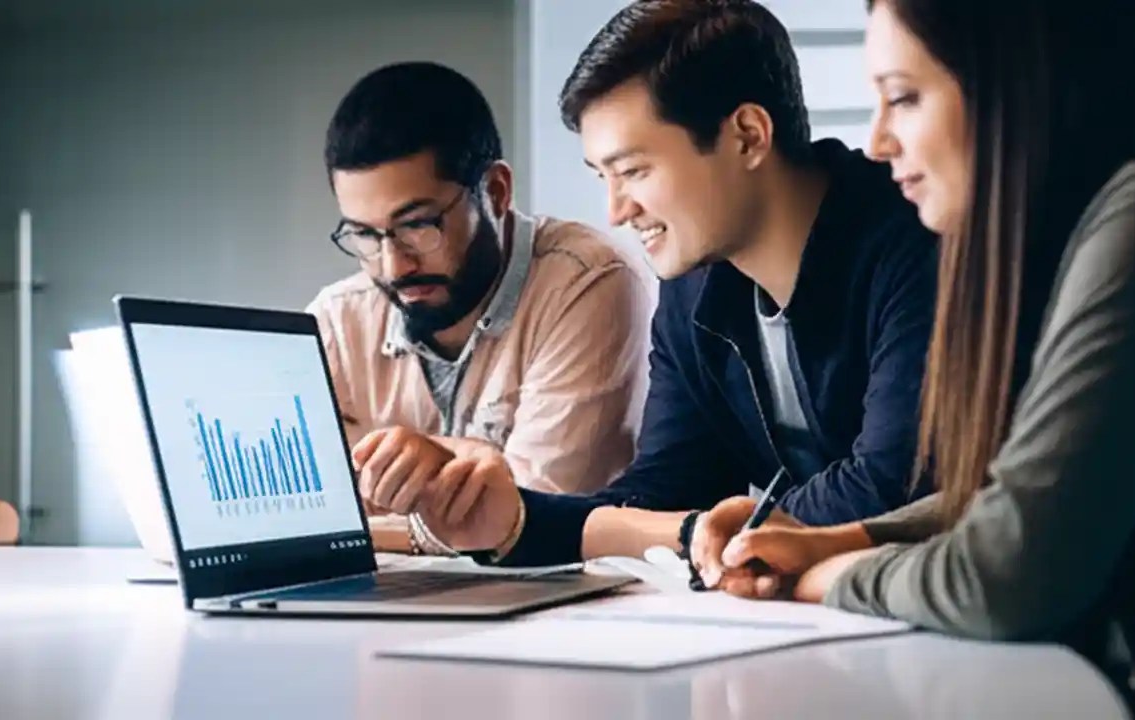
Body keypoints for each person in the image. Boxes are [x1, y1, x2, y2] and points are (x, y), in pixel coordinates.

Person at [691, 0, 1135, 714]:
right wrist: (824, 539)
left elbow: (1007, 572)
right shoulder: (1075, 240)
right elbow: (1003, 500)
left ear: (1019, 81)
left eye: (903, 97)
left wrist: (824, 573)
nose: (875, 141)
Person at [368, 0, 938, 566]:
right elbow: (662, 491)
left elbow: (887, 490)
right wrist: (514, 519)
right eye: (603, 177)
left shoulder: (917, 238)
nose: (616, 211)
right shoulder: (693, 287)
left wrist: (704, 534)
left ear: (746, 136)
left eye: (634, 171)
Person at [309, 62, 653, 554]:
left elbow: (535, 515)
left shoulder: (588, 283)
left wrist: (357, 530)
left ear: (494, 191)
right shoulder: (339, 320)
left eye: (418, 225)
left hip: (560, 607)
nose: (393, 265)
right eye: (364, 234)